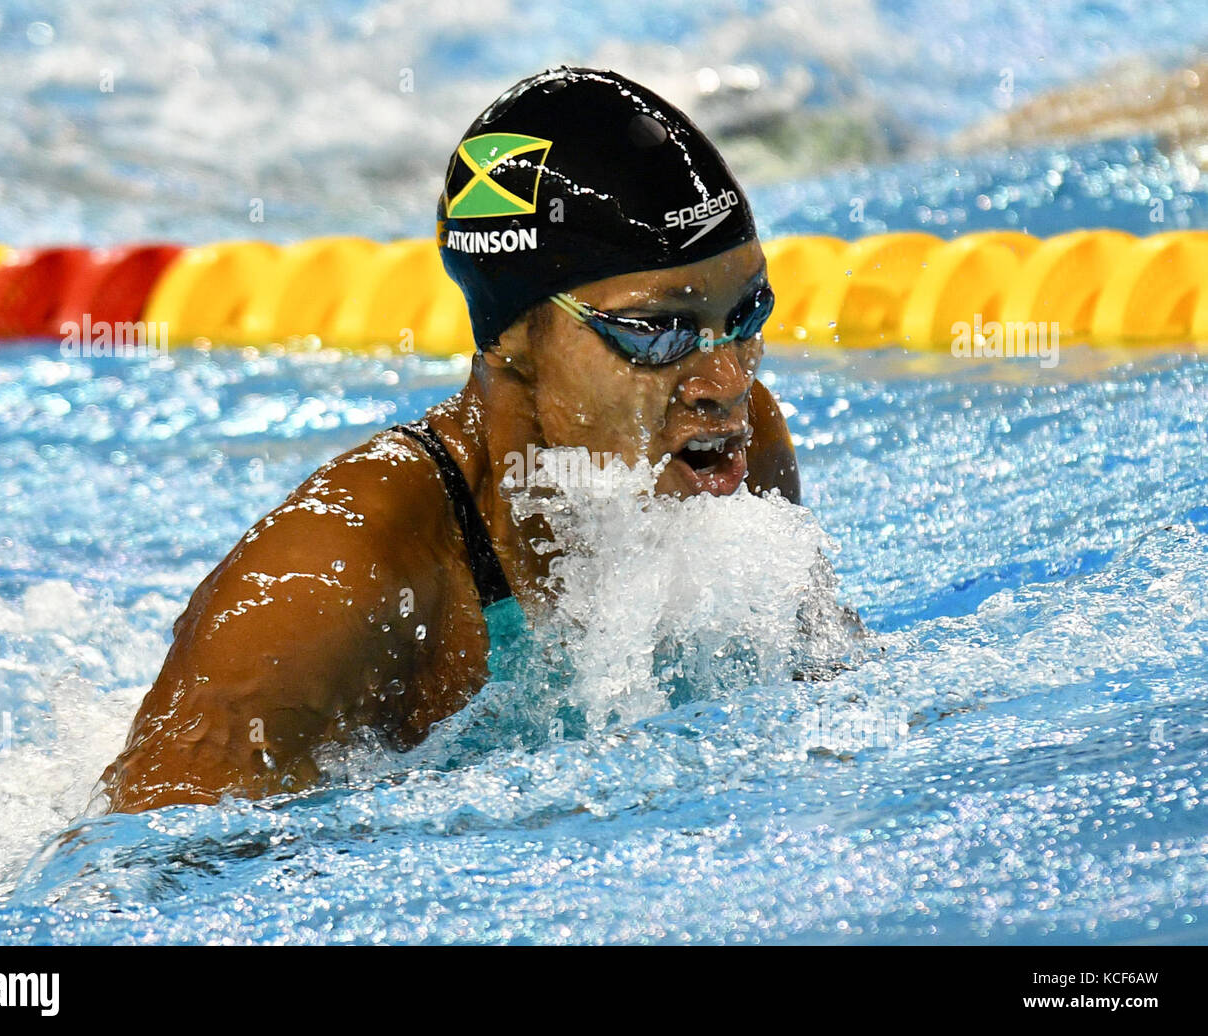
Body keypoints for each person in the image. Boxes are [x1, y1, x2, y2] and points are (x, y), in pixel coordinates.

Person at [99, 67, 799, 814]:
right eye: (658, 333)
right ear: (513, 339)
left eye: (747, 313)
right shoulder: (333, 577)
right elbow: (134, 875)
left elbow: (826, 694)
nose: (723, 380)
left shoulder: (736, 453)